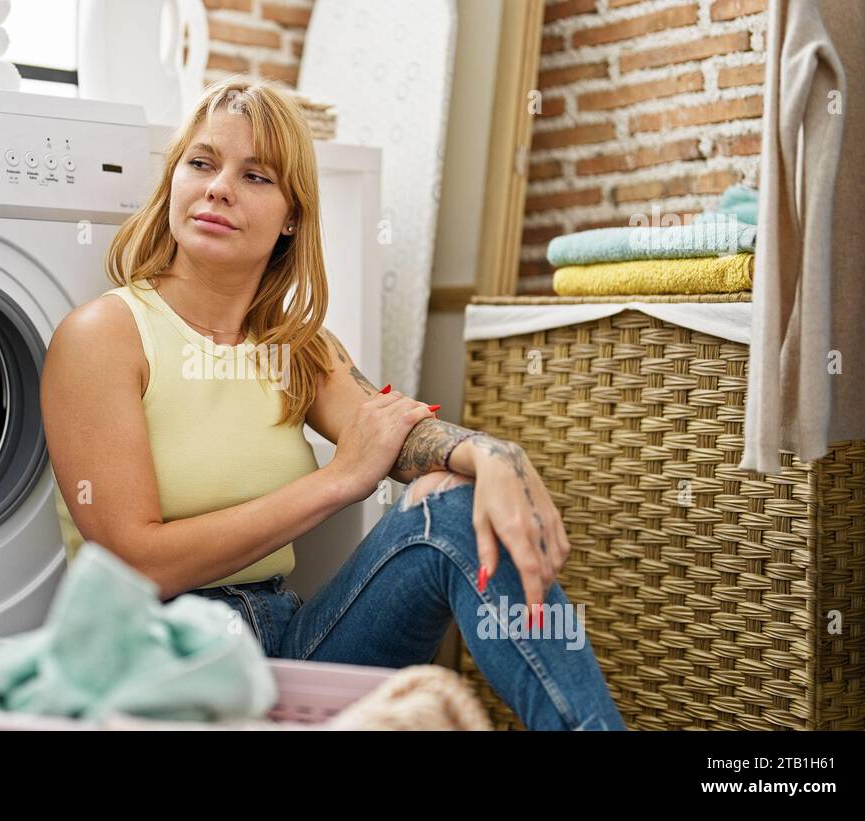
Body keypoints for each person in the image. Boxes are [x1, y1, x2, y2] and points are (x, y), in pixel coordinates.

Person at [41, 77, 625, 730]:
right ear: (174, 180)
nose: (218, 187)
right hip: (162, 667)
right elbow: (135, 562)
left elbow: (393, 431)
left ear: (292, 216)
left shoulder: (299, 347)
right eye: (201, 163)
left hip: (289, 648)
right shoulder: (103, 335)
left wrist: (494, 456)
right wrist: (337, 481)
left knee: (454, 503)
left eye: (255, 176)